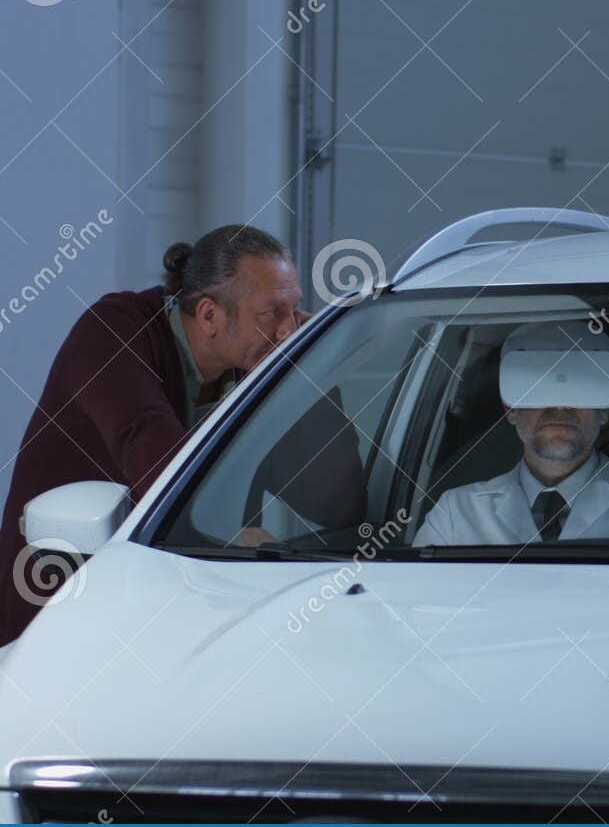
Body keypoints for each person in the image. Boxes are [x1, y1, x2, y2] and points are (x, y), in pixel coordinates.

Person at [0, 226, 364, 648]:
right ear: (210, 315)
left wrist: (311, 368)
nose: (289, 329)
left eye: (294, 310)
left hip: (184, 615)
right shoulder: (115, 331)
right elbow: (149, 448)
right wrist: (223, 531)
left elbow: (338, 503)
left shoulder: (255, 367)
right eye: (271, 313)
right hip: (63, 613)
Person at [414, 320, 609, 546]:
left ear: (605, 409)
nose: (559, 405)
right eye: (537, 386)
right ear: (510, 408)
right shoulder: (456, 514)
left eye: (581, 385)